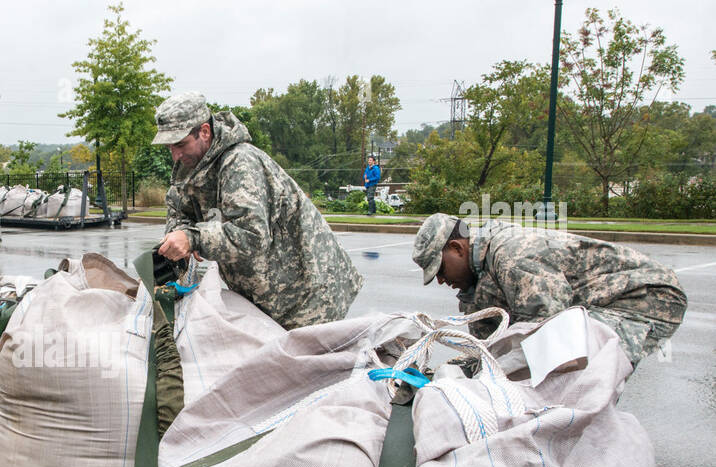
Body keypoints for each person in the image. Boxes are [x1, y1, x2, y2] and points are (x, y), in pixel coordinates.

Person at [154, 91, 363, 329]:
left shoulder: (240, 162)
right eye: (170, 146)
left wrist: (194, 238)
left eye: (181, 144)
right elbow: (178, 213)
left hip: (305, 292)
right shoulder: (187, 172)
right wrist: (179, 236)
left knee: (304, 362)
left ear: (204, 132)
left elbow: (251, 235)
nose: (175, 154)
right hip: (264, 295)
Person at [412, 212, 688, 366]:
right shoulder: (478, 284)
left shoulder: (512, 255)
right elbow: (488, 351)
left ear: (457, 248)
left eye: (440, 269)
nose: (440, 280)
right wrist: (453, 373)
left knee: (568, 367)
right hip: (598, 305)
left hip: (643, 298)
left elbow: (549, 330)